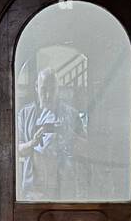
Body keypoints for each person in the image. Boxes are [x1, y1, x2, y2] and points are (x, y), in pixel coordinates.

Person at [16, 68, 85, 200]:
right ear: (36, 87)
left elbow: (86, 148)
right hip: (34, 189)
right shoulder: (24, 114)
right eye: (43, 89)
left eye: (52, 90)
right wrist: (33, 143)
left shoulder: (71, 114)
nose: (47, 95)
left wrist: (70, 135)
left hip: (64, 187)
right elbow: (17, 151)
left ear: (58, 89)